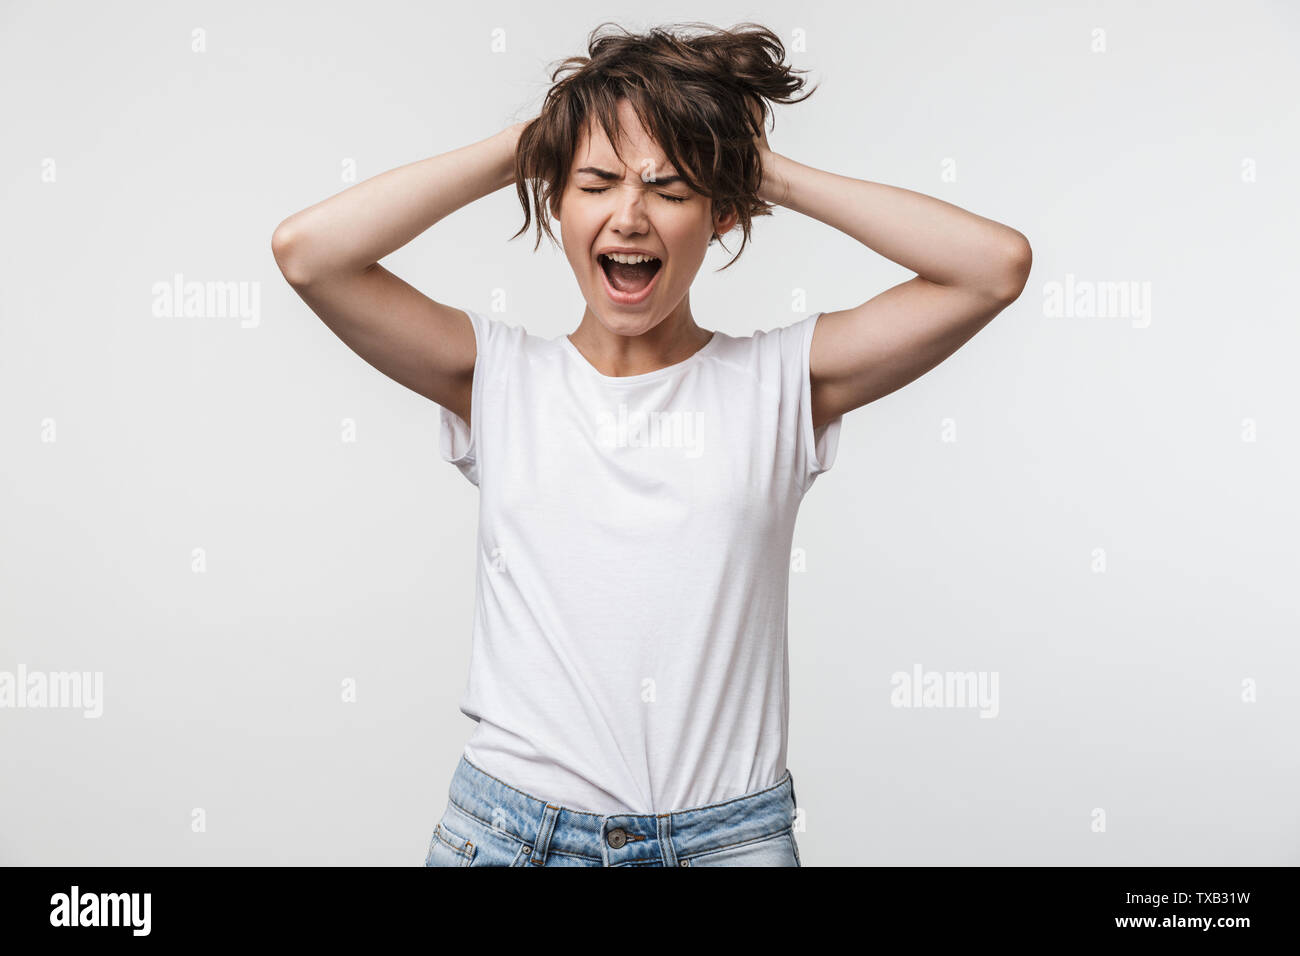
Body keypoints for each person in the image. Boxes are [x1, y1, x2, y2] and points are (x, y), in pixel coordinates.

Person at [271, 21, 1031, 867]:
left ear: (722, 215)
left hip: (726, 845)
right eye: (595, 182)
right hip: (510, 838)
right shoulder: (497, 379)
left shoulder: (783, 384)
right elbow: (309, 255)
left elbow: (992, 266)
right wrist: (531, 144)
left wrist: (753, 162)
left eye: (670, 190)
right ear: (557, 201)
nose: (629, 216)